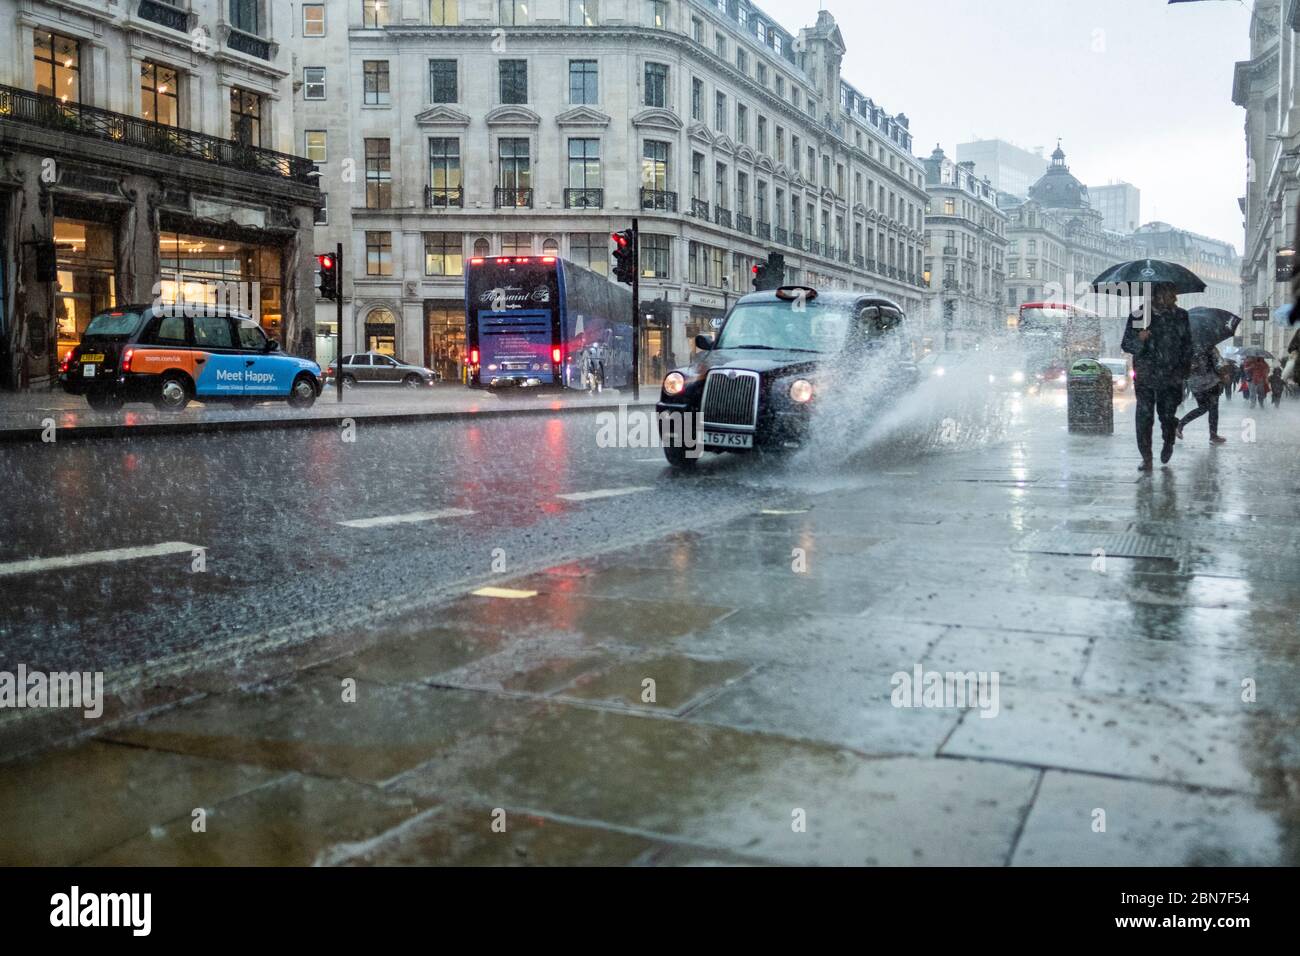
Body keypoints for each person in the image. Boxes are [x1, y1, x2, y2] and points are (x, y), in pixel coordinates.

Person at [1122, 283, 1193, 471]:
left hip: (1171, 376)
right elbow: (1126, 344)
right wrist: (1140, 339)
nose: (1174, 298)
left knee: (1167, 416)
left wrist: (1183, 371)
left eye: (1174, 294)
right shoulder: (1139, 315)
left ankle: (1168, 441)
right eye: (1170, 294)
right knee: (1144, 417)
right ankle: (1146, 457)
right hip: (1146, 374)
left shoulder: (1181, 316)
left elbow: (1188, 346)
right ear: (1156, 295)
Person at [1176, 347, 1226, 445]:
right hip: (1209, 382)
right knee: (1212, 408)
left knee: (1204, 408)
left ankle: (1180, 425)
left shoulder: (1189, 348)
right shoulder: (1208, 348)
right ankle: (1213, 435)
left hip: (1196, 384)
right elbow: (1218, 364)